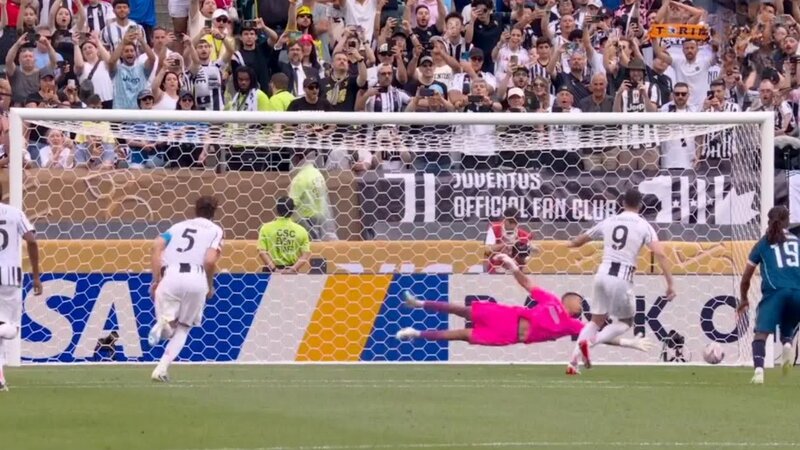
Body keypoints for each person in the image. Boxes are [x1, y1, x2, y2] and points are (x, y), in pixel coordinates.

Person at [565, 189, 675, 374]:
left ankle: (572, 363)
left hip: (601, 274)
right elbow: (661, 254)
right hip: (621, 278)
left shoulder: (609, 221)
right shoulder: (643, 225)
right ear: (640, 204)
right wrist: (670, 284)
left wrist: (565, 244)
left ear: (622, 203)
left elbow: (578, 242)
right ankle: (591, 343)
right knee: (625, 322)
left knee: (595, 321)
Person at [397, 254, 585, 346]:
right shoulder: (551, 300)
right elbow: (528, 284)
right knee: (464, 310)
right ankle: (418, 303)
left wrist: (616, 341)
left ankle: (415, 333)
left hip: (507, 335)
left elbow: (595, 334)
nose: (581, 305)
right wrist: (512, 266)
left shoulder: (571, 324)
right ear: (569, 299)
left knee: (462, 334)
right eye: (579, 301)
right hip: (507, 316)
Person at [148, 196, 223, 382]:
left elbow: (157, 245)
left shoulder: (177, 227)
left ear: (195, 209)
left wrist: (156, 279)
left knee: (168, 327)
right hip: (195, 276)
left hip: (170, 274)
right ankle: (161, 369)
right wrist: (209, 284)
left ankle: (165, 322)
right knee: (183, 328)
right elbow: (210, 260)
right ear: (214, 212)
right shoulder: (215, 230)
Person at [738, 206, 800, 385]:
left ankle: (759, 371)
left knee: (761, 333)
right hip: (798, 292)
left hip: (775, 292)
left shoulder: (763, 243)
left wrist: (744, 299)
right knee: (788, 319)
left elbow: (746, 278)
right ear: (788, 221)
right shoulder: (797, 241)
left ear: (768, 221)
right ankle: (787, 344)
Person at [0, 184, 42, 391]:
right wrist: (36, 275)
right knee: (11, 329)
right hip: (10, 278)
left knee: (2, 328)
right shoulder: (15, 213)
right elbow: (32, 241)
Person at [257, 197, 311, 273]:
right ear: (292, 210)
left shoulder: (265, 228)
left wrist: (274, 269)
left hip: (270, 272)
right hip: (292, 272)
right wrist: (292, 269)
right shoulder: (301, 230)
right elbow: (306, 254)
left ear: (277, 210)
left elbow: (262, 252)